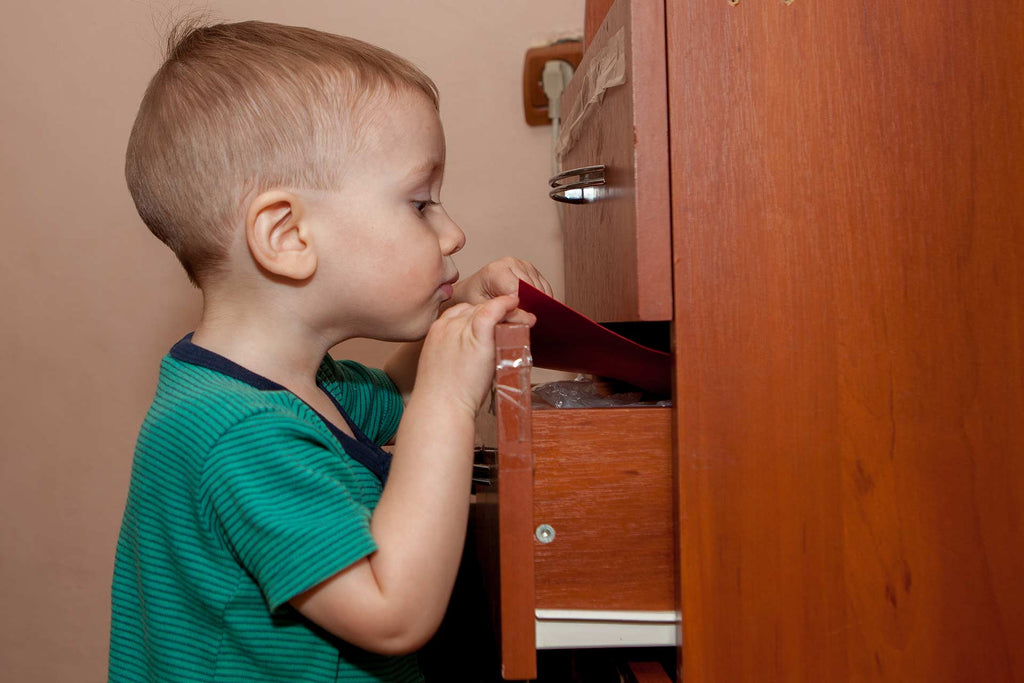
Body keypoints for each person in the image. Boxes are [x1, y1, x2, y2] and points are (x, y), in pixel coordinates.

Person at [109, 19, 550, 683]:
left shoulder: (291, 388)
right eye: (420, 203)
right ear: (286, 234)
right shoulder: (241, 436)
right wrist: (450, 398)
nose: (453, 233)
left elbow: (399, 398)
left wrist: (468, 310)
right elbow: (393, 611)